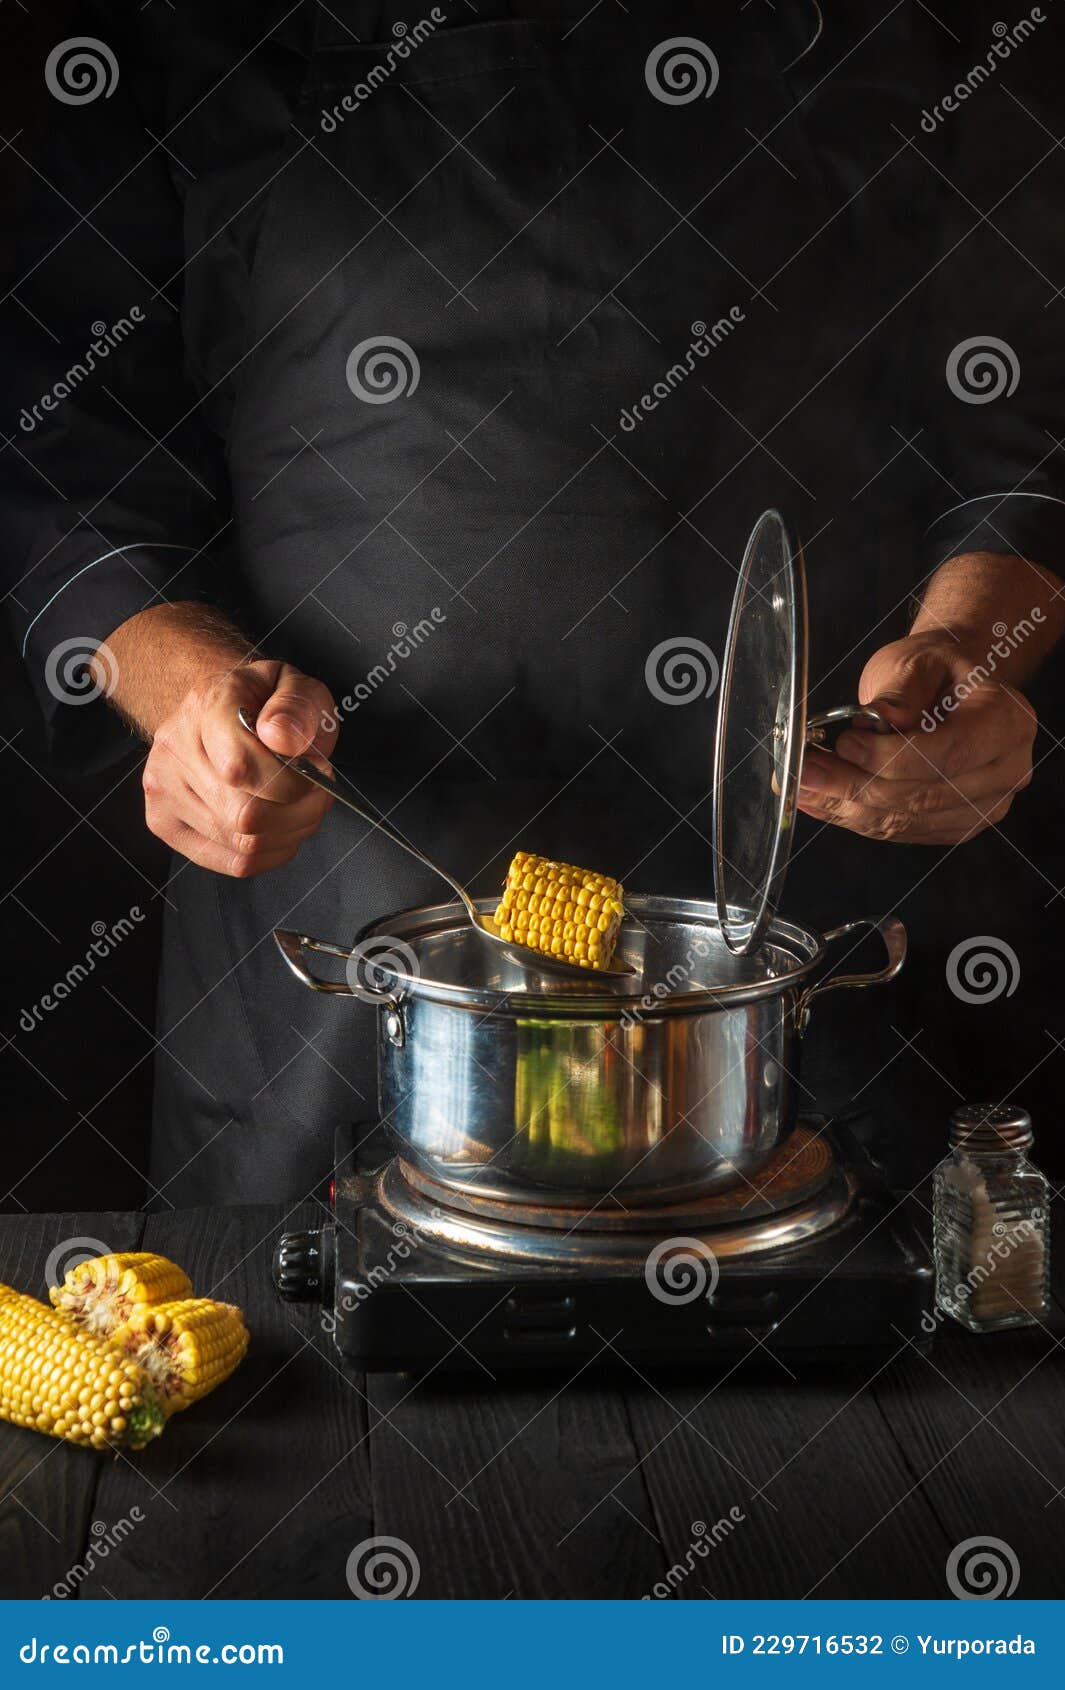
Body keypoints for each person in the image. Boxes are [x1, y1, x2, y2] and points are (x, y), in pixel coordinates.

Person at [4, 2, 1063, 1204]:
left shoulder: (919, 32)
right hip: (343, 976)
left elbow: (1021, 421)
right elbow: (74, 472)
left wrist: (971, 652)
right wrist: (190, 693)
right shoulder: (172, 49)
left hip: (811, 972)